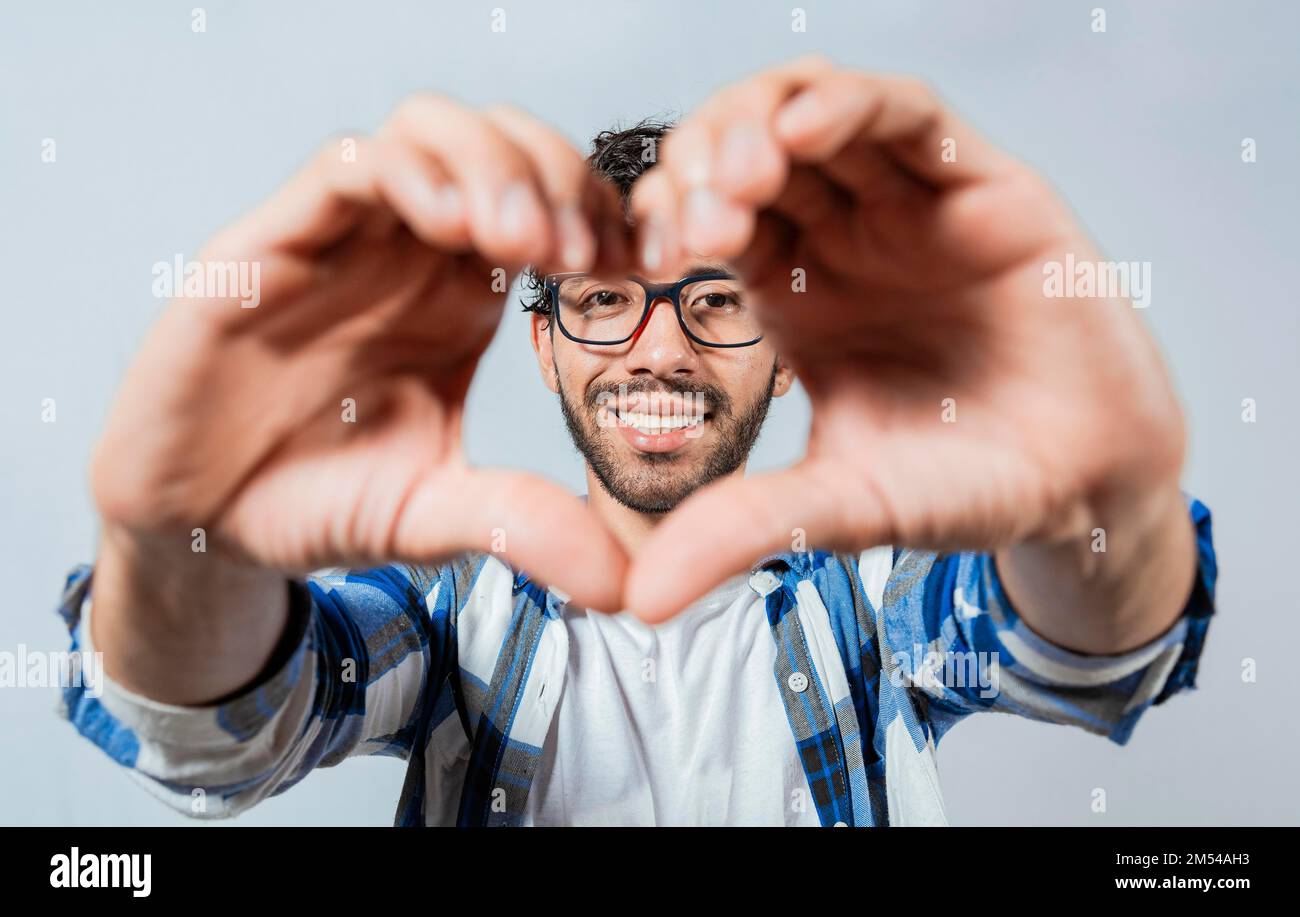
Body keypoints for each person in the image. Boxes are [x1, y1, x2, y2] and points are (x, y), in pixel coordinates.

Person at [56, 56, 1217, 826]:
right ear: (545, 344)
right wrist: (179, 544)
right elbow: (238, 727)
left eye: (717, 300)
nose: (659, 351)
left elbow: (1072, 645)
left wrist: (1097, 503)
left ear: (793, 347)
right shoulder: (451, 609)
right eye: (605, 300)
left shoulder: (874, 597)